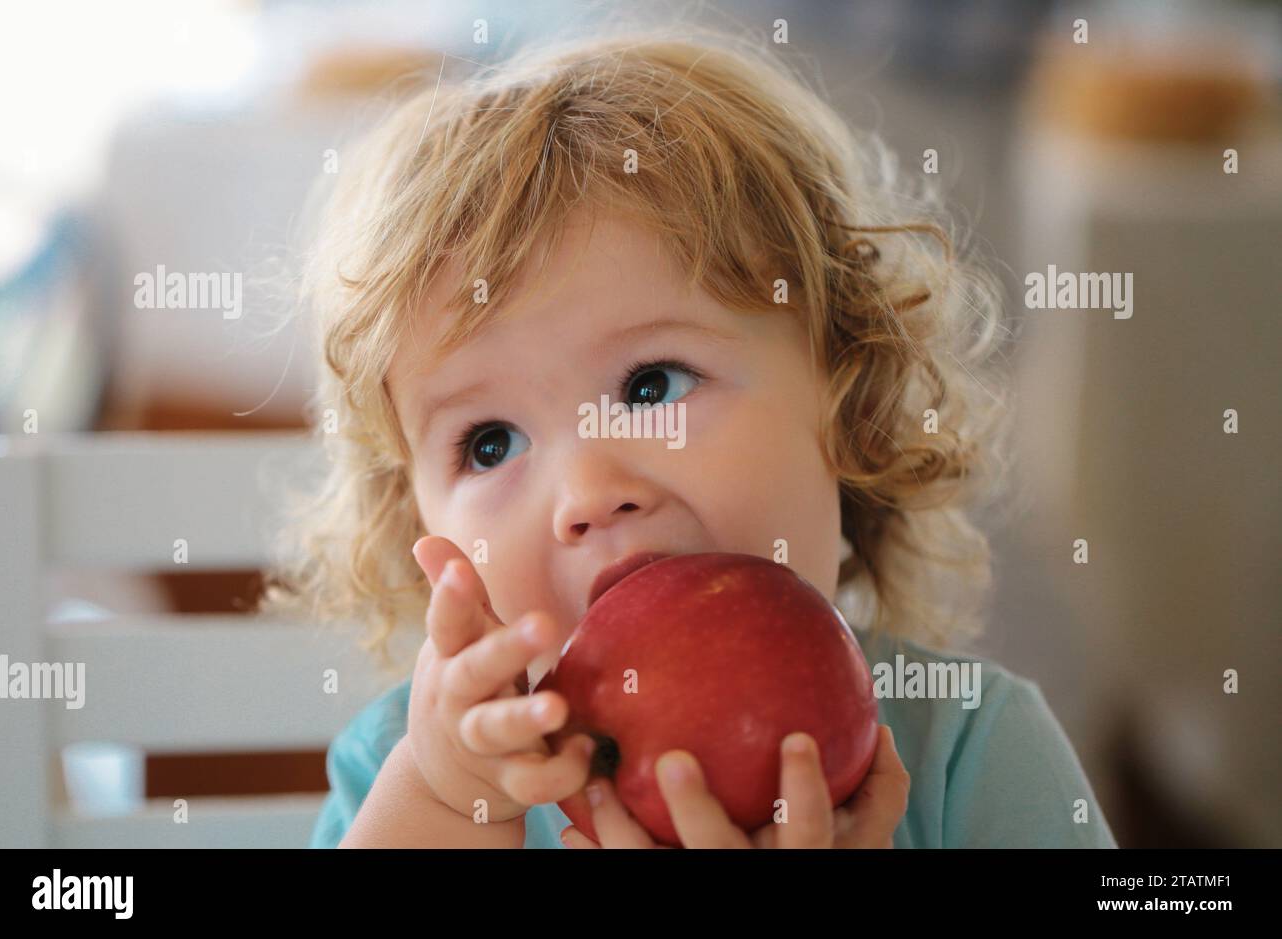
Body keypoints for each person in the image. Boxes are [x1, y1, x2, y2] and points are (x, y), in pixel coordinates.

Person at [259, 28, 1117, 849]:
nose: (589, 491)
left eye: (650, 386)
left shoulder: (969, 755)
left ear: (847, 391)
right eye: (488, 442)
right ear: (419, 526)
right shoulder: (414, 776)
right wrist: (444, 801)